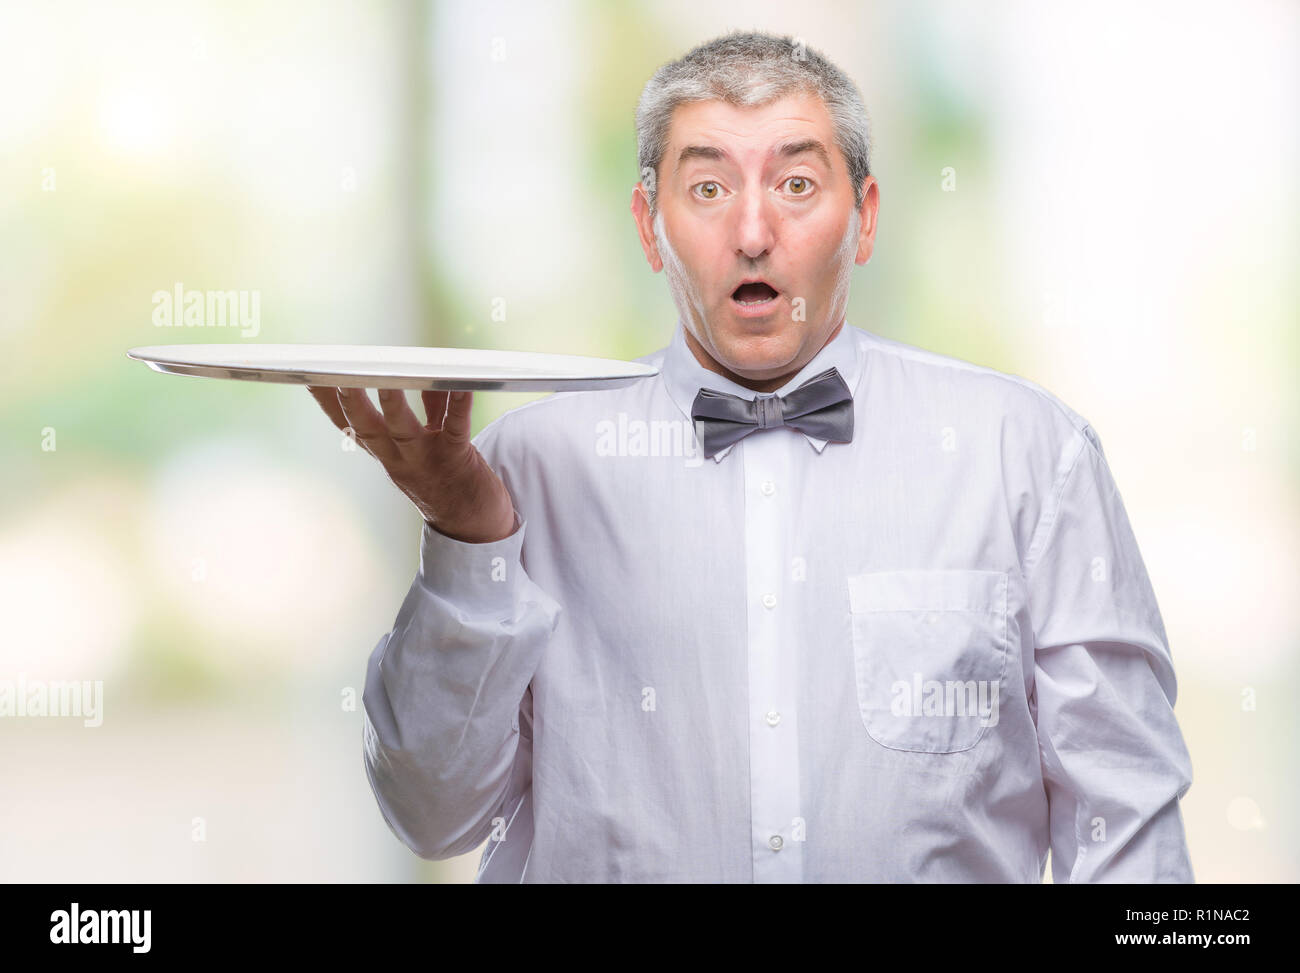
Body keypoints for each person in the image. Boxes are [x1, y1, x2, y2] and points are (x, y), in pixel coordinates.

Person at [308, 30, 1194, 883]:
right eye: (707, 189)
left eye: (799, 182)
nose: (754, 231)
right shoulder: (521, 472)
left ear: (867, 217)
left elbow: (1127, 815)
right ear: (650, 226)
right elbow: (430, 814)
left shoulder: (1028, 454)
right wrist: (467, 540)